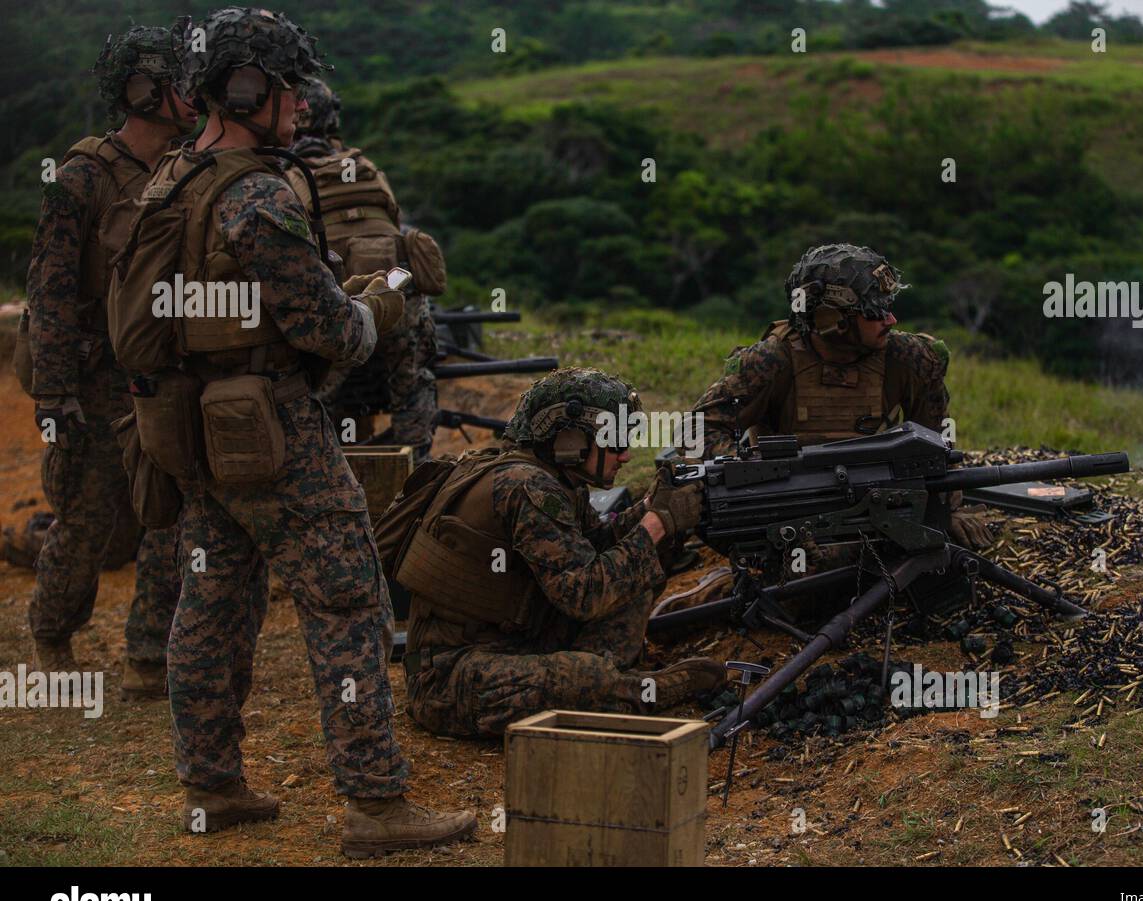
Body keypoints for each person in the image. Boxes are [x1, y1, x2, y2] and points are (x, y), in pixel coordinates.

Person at [128, 7, 473, 857]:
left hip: (191, 429)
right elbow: (333, 333)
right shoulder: (258, 196)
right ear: (254, 91)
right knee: (349, 600)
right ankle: (376, 804)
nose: (300, 108)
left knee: (209, 601)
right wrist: (382, 300)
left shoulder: (173, 177)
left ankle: (211, 788)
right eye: (286, 90)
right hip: (274, 433)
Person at [656, 243, 993, 615]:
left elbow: (936, 444)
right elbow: (697, 430)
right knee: (802, 592)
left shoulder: (908, 359)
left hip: (877, 505)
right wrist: (750, 479)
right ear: (834, 319)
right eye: (874, 312)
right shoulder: (772, 361)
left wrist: (951, 508)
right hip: (791, 511)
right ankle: (726, 590)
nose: (891, 320)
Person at [398, 367, 725, 738]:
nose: (626, 456)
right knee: (585, 677)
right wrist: (655, 526)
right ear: (570, 439)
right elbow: (584, 594)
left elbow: (594, 549)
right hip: (450, 678)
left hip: (513, 645)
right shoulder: (527, 488)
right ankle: (641, 693)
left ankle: (609, 682)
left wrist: (652, 507)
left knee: (632, 576)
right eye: (614, 442)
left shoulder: (552, 477)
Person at [22, 26, 197, 699]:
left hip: (156, 374)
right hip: (93, 379)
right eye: (174, 83)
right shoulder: (83, 176)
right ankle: (51, 634)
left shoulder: (185, 171)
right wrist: (55, 390)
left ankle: (149, 655)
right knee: (90, 516)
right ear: (141, 91)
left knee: (167, 512)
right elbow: (51, 287)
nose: (190, 97)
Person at [286, 78, 443, 459]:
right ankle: (415, 471)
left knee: (312, 396)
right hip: (395, 290)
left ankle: (324, 469)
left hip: (338, 298)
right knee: (413, 386)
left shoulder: (280, 174)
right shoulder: (365, 166)